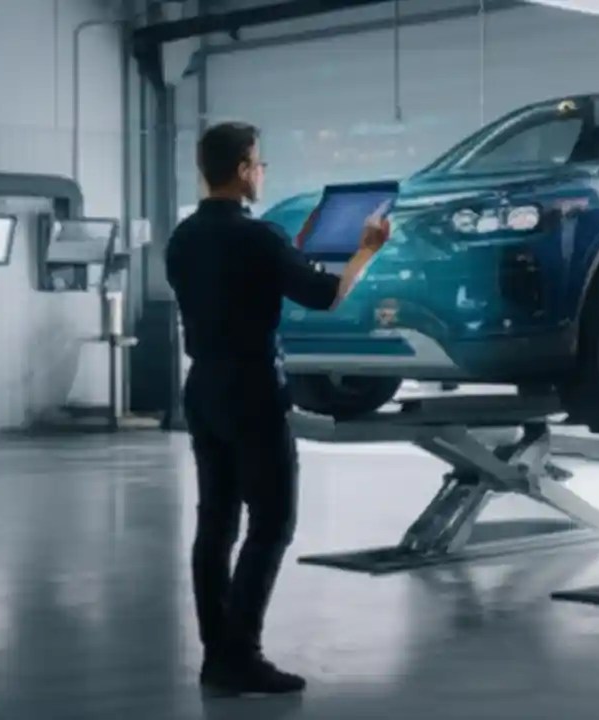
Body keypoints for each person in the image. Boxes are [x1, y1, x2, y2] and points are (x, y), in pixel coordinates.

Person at [165, 121, 389, 695]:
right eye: (259, 164)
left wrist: (289, 251)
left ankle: (218, 656)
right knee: (272, 522)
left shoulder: (183, 238)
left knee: (216, 523)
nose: (262, 172)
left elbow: (232, 284)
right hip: (252, 391)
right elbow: (326, 294)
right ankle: (242, 655)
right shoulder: (260, 238)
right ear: (243, 171)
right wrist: (366, 249)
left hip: (203, 389)